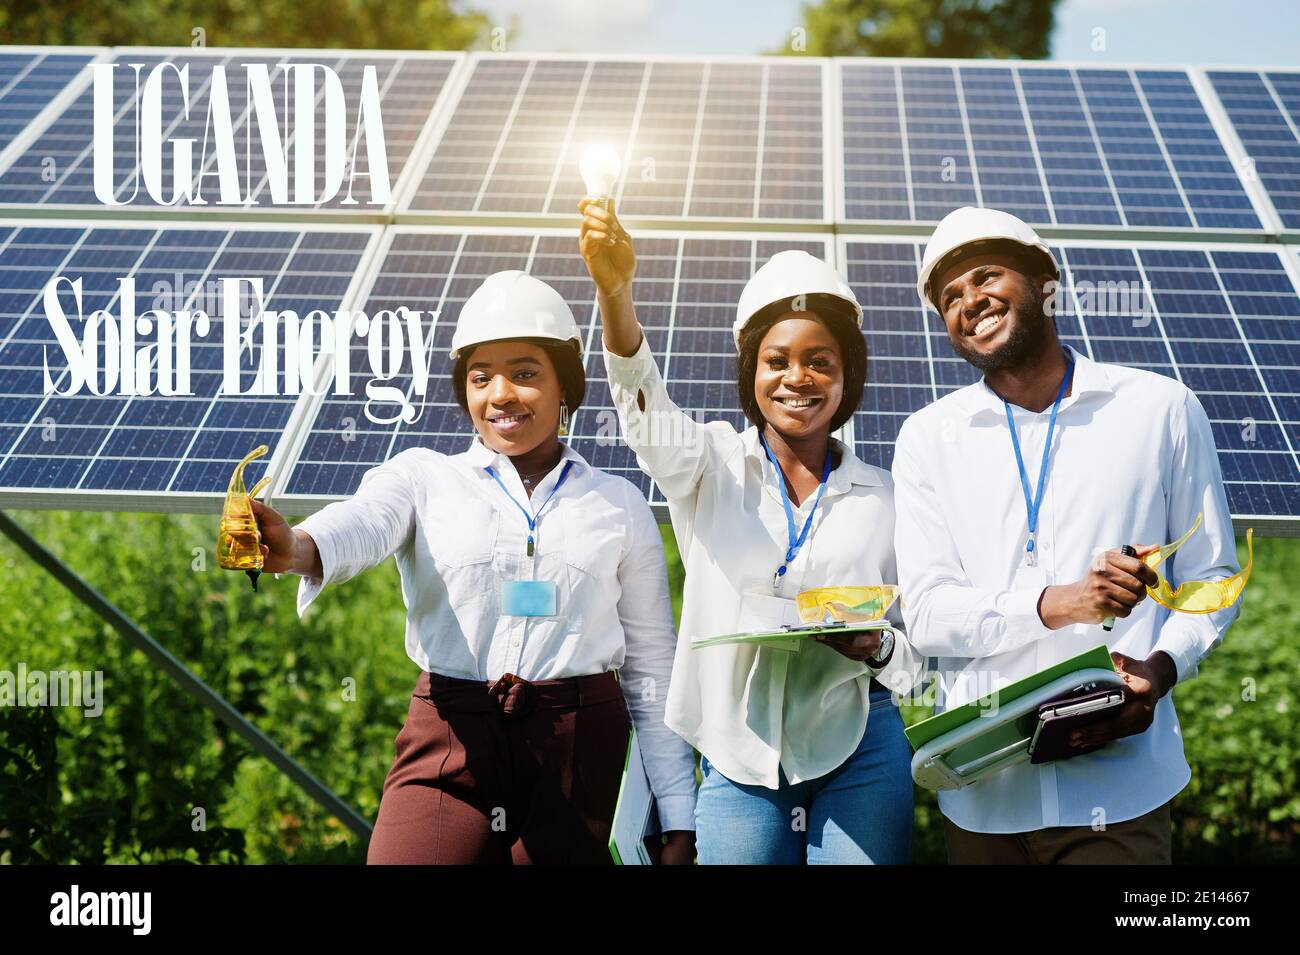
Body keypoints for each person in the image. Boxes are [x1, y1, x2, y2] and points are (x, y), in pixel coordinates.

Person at [250, 270, 697, 864]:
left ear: (566, 384)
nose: (502, 393)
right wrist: (298, 546)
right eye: (481, 377)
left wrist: (678, 816)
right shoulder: (424, 476)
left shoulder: (618, 503)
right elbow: (365, 521)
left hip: (578, 748)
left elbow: (651, 667)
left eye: (526, 373)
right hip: (450, 734)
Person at [892, 206, 1242, 864]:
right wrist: (1061, 601)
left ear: (1044, 283)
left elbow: (1213, 578)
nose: (971, 301)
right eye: (951, 297)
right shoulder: (926, 438)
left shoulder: (1160, 408)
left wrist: (1159, 671)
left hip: (1120, 789)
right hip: (984, 798)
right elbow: (929, 612)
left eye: (987, 276)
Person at [579, 200, 924, 865]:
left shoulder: (885, 496)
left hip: (860, 744)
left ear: (846, 374)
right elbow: (640, 402)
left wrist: (876, 644)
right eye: (777, 360)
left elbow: (917, 656)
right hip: (738, 756)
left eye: (820, 359)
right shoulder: (706, 464)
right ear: (752, 372)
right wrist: (615, 292)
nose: (798, 376)